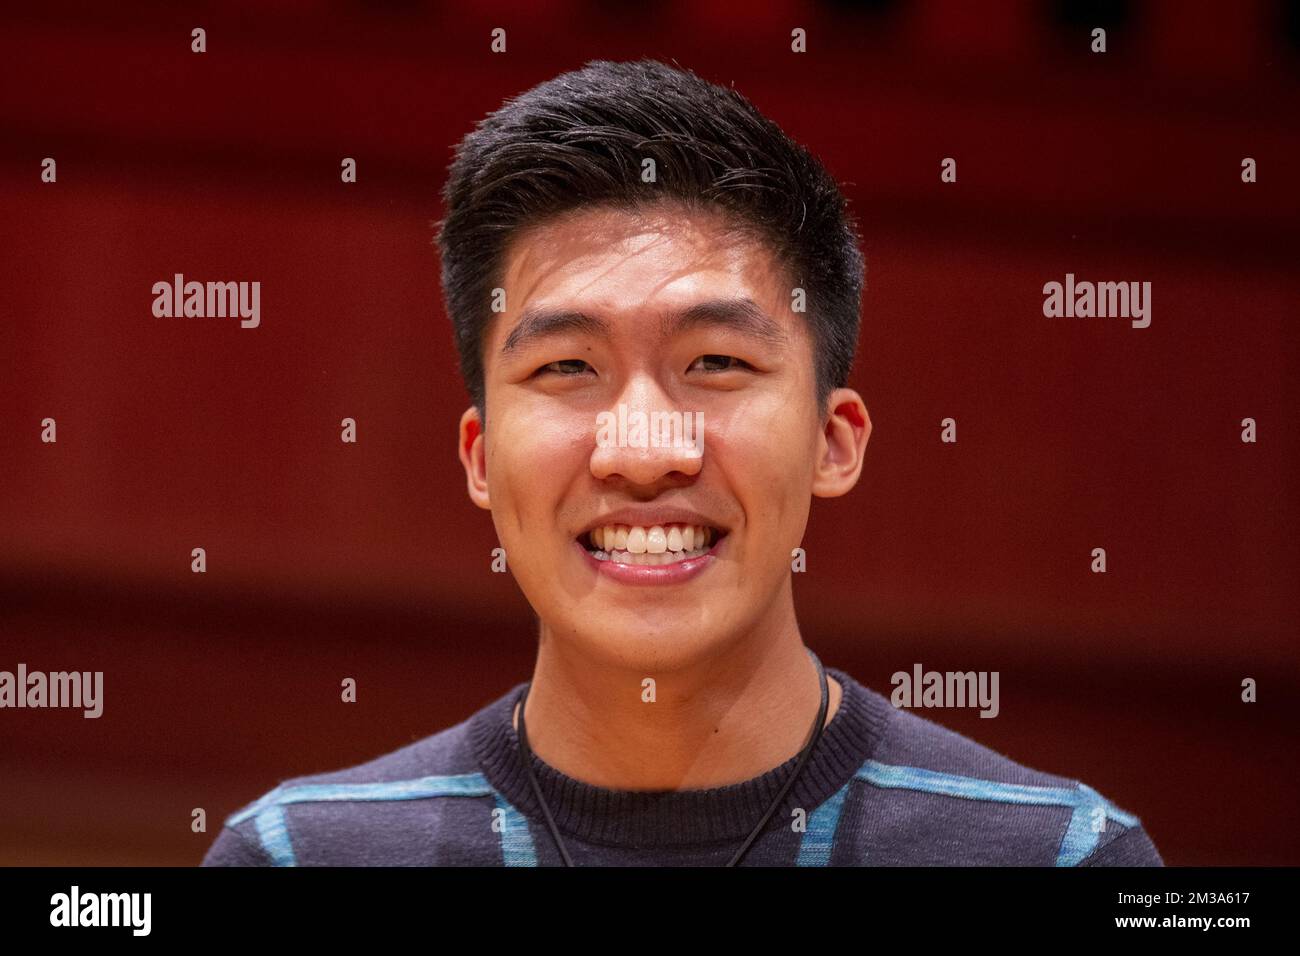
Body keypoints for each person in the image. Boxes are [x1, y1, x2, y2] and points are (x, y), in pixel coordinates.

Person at [202, 58, 1162, 867]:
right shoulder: (294, 857)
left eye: (716, 364)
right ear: (482, 455)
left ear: (836, 440)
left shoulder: (1064, 859)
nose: (644, 452)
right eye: (568, 367)